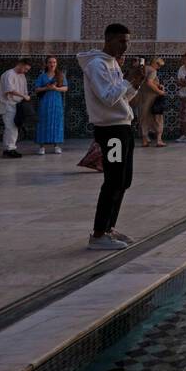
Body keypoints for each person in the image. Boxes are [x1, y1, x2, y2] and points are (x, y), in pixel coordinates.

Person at [78, 24, 145, 250]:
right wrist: (128, 80)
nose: (125, 46)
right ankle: (98, 234)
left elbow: (122, 98)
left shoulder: (113, 63)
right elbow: (108, 98)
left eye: (127, 42)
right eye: (121, 41)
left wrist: (135, 83)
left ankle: (108, 228)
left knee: (124, 180)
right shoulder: (97, 65)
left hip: (123, 127)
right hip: (111, 131)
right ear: (108, 40)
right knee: (113, 180)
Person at [0, 57, 32, 158]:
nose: (26, 71)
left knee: (14, 127)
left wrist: (25, 97)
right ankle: (9, 149)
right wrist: (23, 96)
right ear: (20, 64)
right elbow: (9, 90)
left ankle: (9, 148)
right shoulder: (8, 74)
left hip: (18, 105)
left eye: (27, 70)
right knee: (10, 127)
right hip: (8, 104)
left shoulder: (22, 76)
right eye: (25, 69)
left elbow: (24, 90)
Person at [34, 55, 67, 154]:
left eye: (54, 62)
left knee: (57, 122)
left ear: (56, 64)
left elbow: (65, 88)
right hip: (45, 102)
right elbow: (36, 89)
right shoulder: (42, 76)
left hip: (56, 102)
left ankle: (57, 146)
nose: (52, 64)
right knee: (43, 122)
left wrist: (56, 89)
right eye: (50, 62)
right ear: (46, 64)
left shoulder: (60, 75)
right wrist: (46, 88)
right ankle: (42, 147)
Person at [136, 58, 167, 148]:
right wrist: (159, 91)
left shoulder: (143, 69)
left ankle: (145, 140)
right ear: (155, 63)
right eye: (159, 65)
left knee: (144, 119)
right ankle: (159, 140)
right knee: (158, 118)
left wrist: (157, 84)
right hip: (153, 98)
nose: (159, 67)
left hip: (143, 98)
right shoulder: (153, 71)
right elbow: (149, 82)